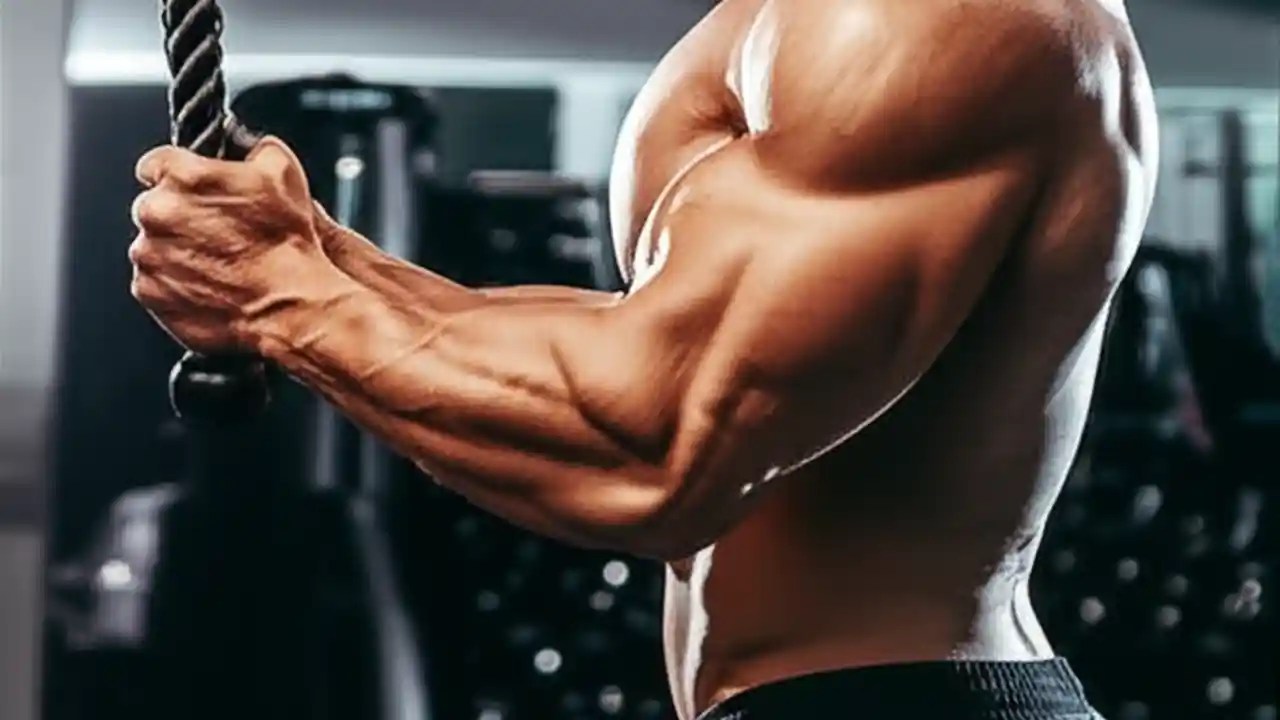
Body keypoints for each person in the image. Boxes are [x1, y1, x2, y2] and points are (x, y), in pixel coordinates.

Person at [128, 0, 1158, 717]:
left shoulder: (928, 19)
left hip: (897, 701)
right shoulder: (796, 22)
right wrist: (319, 260)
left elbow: (659, 446)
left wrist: (283, 294)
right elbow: (646, 345)